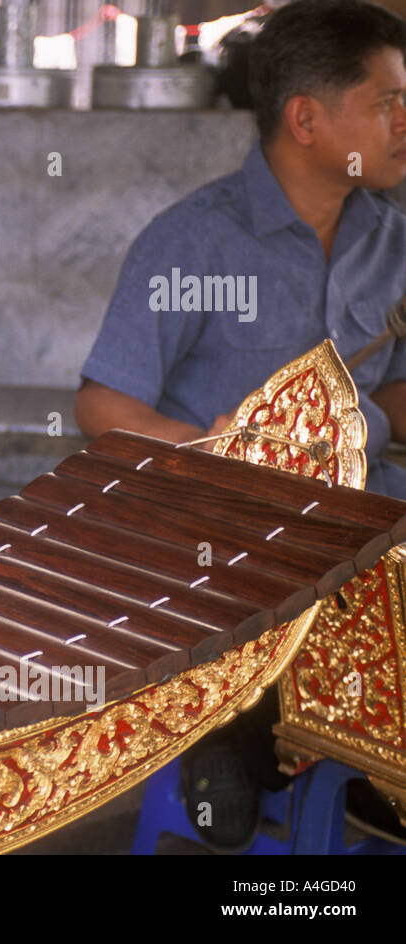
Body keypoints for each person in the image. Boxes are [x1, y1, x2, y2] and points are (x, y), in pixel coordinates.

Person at [75, 0, 406, 850]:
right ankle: (261, 747)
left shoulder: (392, 237)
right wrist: (219, 451)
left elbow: (389, 400)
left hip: (369, 520)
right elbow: (103, 410)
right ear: (305, 118)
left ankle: (333, 764)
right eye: (385, 103)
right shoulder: (195, 242)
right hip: (234, 537)